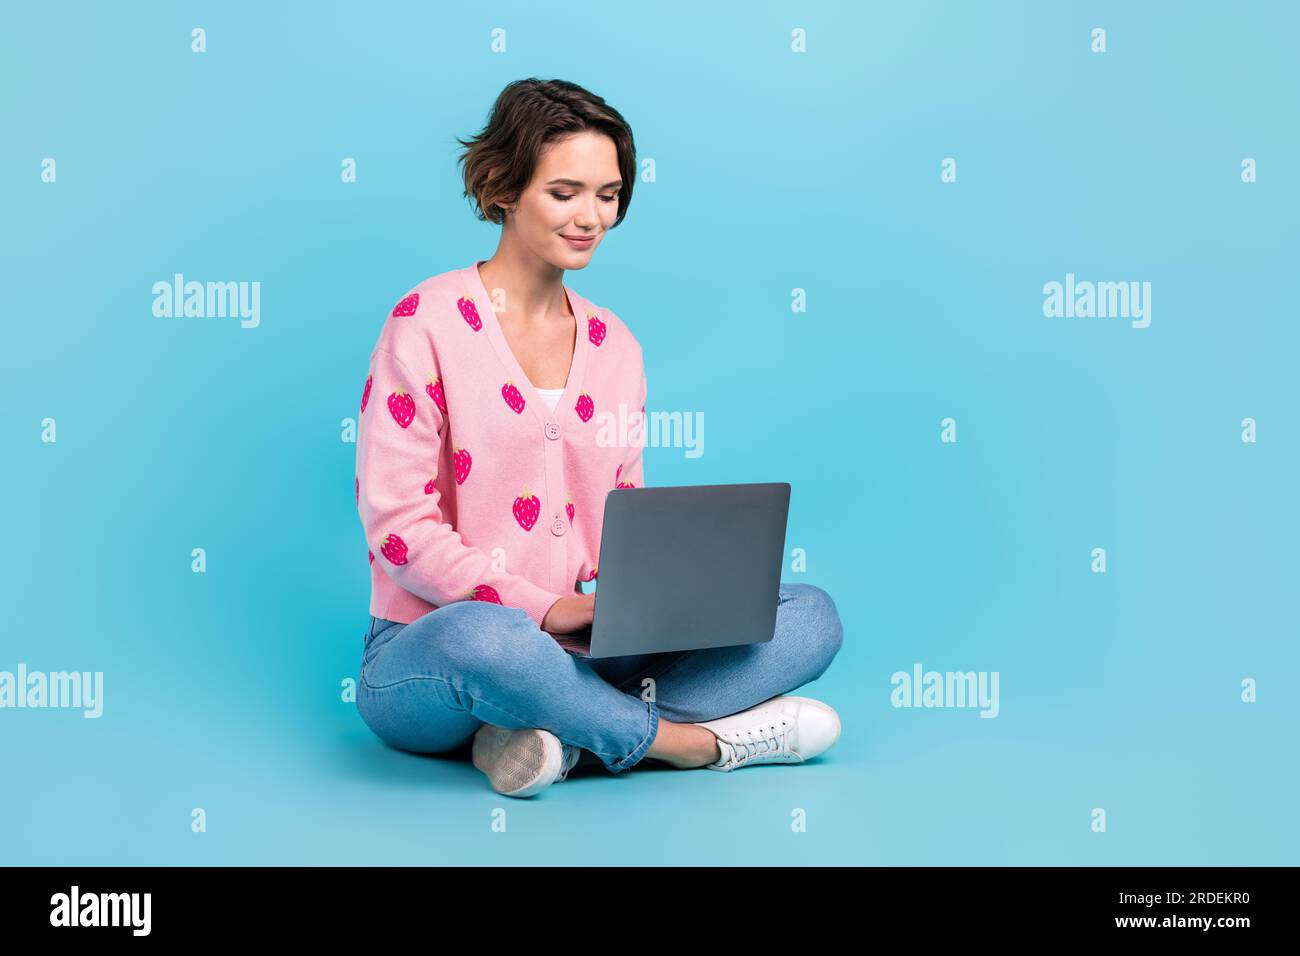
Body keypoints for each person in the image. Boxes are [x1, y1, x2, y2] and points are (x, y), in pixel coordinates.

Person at [354, 77, 844, 797]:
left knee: (810, 617)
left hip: (591, 650)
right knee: (490, 638)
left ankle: (557, 740)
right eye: (565, 192)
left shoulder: (617, 346)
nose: (590, 217)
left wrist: (653, 600)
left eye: (608, 195)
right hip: (438, 657)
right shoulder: (422, 324)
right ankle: (684, 744)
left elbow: (622, 515)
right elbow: (398, 528)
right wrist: (544, 609)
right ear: (504, 185)